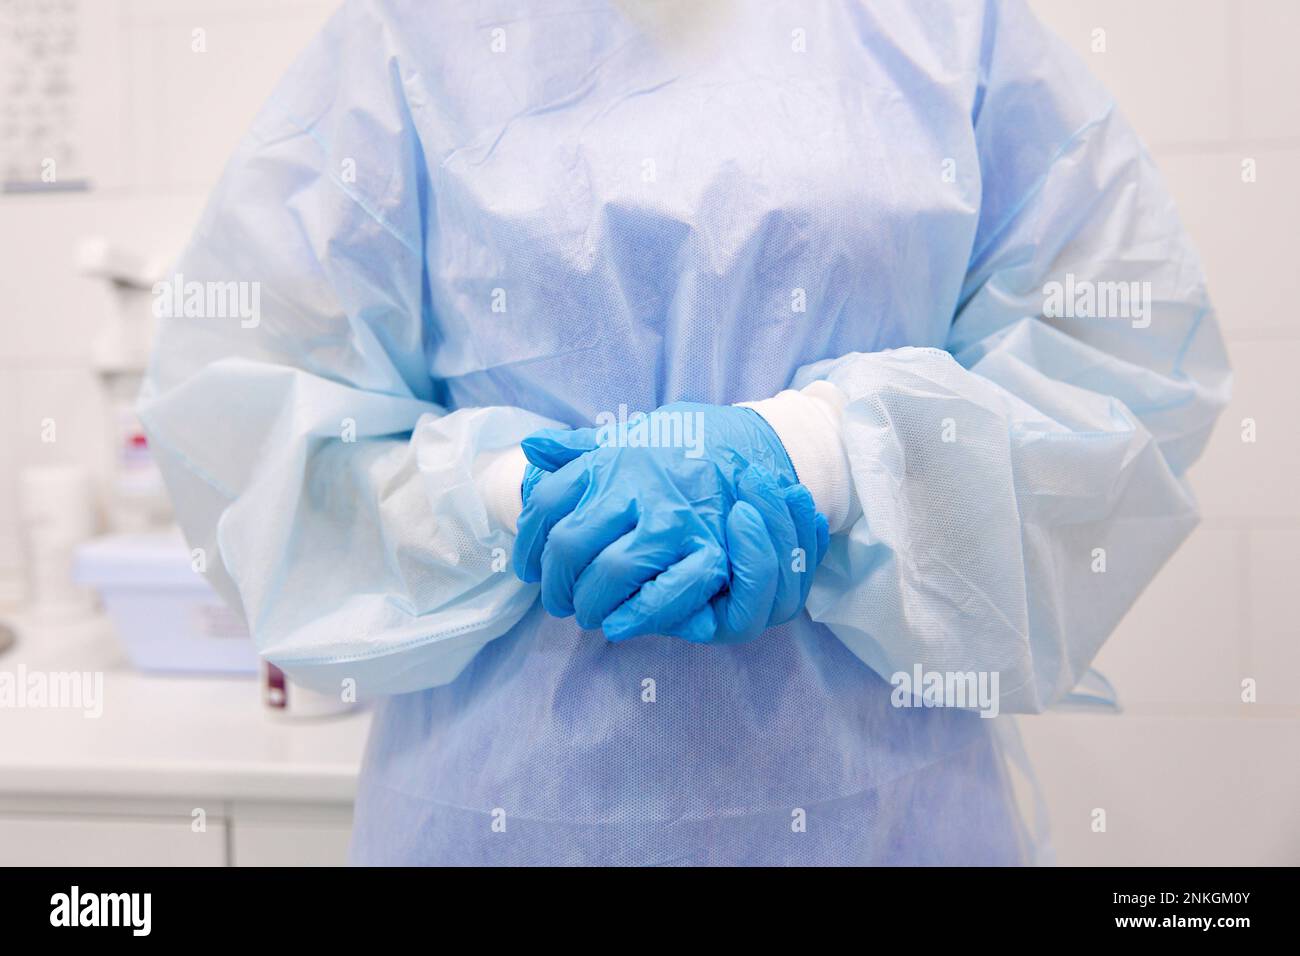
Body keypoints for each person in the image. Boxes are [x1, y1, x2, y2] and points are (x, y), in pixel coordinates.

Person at [140, 0, 1230, 865]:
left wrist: (818, 455)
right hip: (500, 811)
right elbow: (252, 413)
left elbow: (1111, 364)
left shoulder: (949, 29)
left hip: (887, 809)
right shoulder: (399, 42)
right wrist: (516, 497)